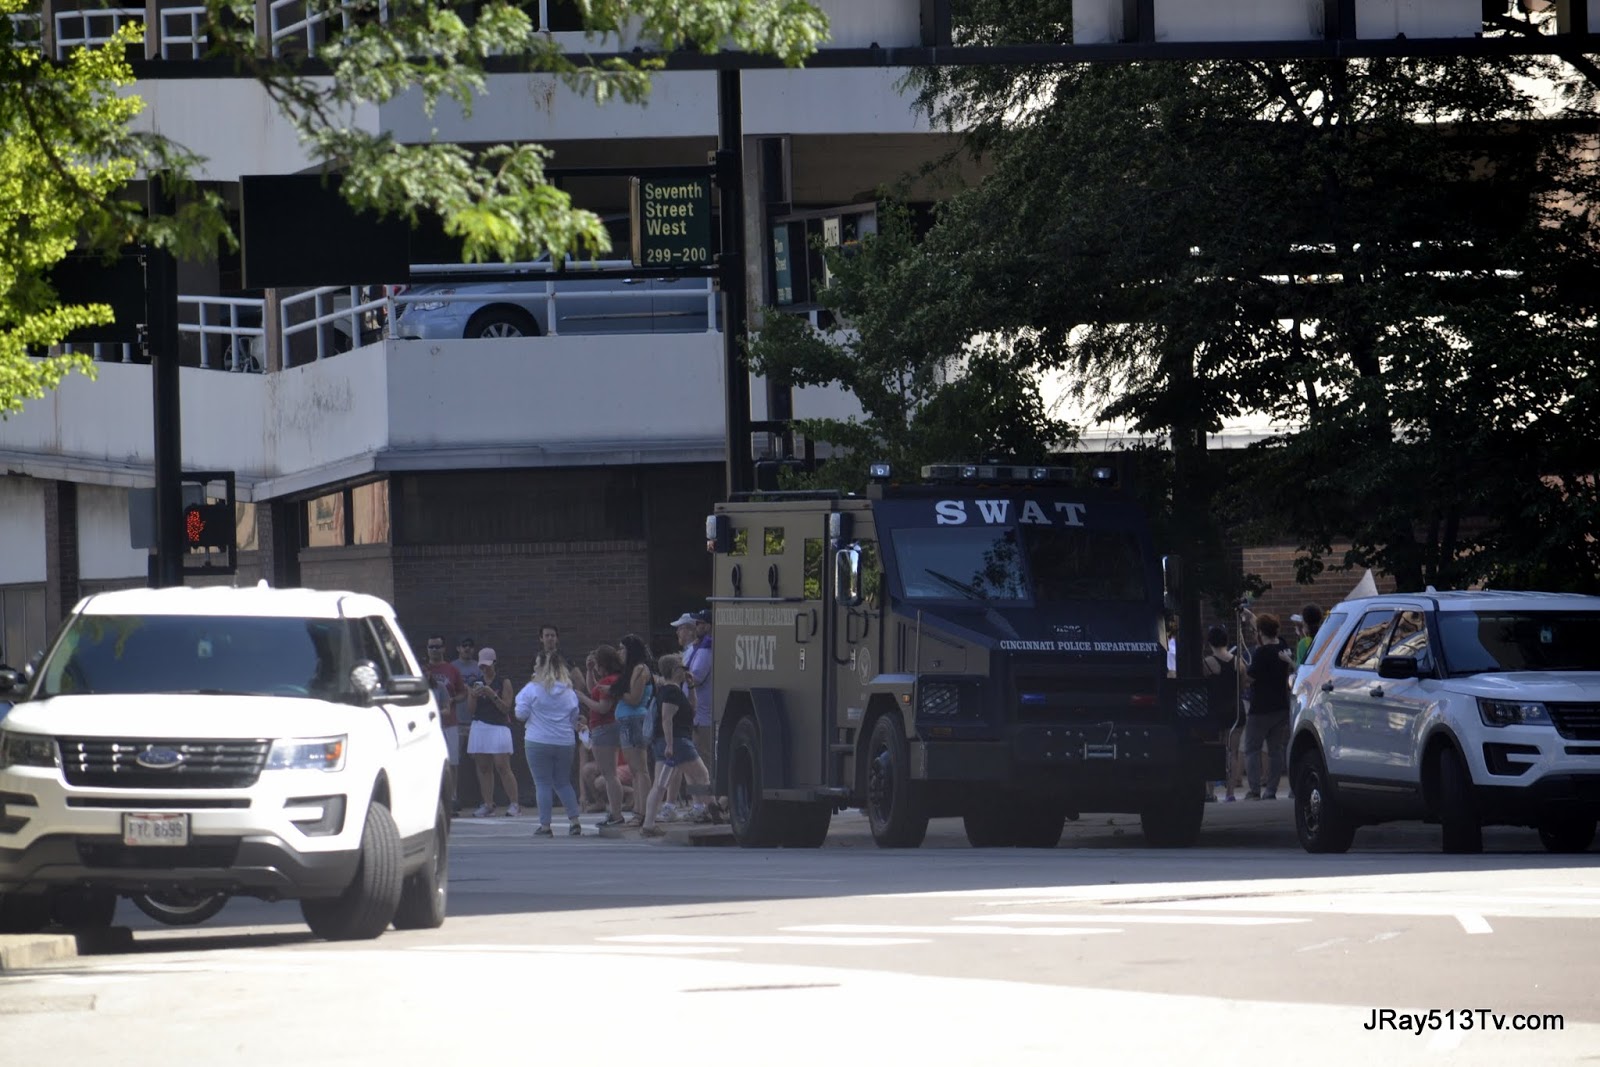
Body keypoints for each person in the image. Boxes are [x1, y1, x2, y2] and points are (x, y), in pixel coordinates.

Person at [514, 649, 586, 836]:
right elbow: (574, 718)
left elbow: (521, 715)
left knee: (543, 783)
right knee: (563, 782)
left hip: (538, 740)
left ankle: (545, 826)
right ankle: (574, 821)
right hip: (565, 741)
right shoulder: (568, 691)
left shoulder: (531, 689)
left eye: (537, 663)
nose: (534, 666)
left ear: (543, 667)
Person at [640, 654, 712, 838]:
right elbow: (666, 718)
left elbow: (692, 709)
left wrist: (692, 686)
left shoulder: (670, 690)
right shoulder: (671, 692)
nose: (685, 669)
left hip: (665, 743)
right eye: (682, 667)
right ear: (673, 670)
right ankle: (713, 810)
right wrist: (670, 744)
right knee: (701, 775)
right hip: (677, 742)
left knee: (660, 784)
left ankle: (648, 824)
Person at [1242, 612, 1294, 800]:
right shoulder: (1282, 645)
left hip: (1261, 707)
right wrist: (1250, 616)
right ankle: (1271, 789)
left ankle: (1254, 789)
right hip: (1280, 704)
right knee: (1275, 749)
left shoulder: (1261, 653)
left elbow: (1250, 678)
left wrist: (1242, 669)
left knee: (1252, 748)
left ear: (1261, 632)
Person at [466, 647, 520, 817]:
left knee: (502, 765)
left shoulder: (504, 682)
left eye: (487, 666)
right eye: (482, 666)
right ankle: (488, 803)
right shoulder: (475, 683)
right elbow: (471, 710)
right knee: (483, 767)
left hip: (498, 726)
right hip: (480, 725)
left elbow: (506, 708)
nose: (484, 669)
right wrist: (473, 696)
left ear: (494, 663)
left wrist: (491, 694)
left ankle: (514, 803)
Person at [610, 633, 656, 826]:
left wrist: (616, 693)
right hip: (627, 720)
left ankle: (642, 812)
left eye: (622, 648)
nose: (619, 652)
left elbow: (635, 698)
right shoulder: (630, 670)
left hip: (634, 719)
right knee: (635, 769)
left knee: (640, 770)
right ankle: (639, 810)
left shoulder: (640, 669)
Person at [578, 645, 627, 827]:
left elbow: (602, 707)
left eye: (597, 665)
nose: (596, 668)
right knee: (610, 774)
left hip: (604, 728)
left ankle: (616, 814)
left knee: (609, 775)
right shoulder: (611, 679)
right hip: (608, 728)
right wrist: (589, 671)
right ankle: (615, 813)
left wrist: (582, 698)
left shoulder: (610, 680)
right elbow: (595, 690)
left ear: (604, 664)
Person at [422, 634, 464, 815]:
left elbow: (463, 693)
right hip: (428, 726)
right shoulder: (421, 669)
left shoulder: (451, 669)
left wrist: (451, 700)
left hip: (449, 722)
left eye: (438, 646)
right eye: (431, 647)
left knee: (452, 761)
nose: (434, 650)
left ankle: (452, 796)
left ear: (444, 648)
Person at [1203, 624, 1245, 802]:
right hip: (1235, 710)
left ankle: (1210, 792)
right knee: (1233, 752)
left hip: (1213, 711)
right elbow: (1242, 687)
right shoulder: (1238, 662)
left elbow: (1202, 688)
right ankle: (1230, 793)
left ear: (1209, 642)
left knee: (1212, 751)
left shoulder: (1206, 663)